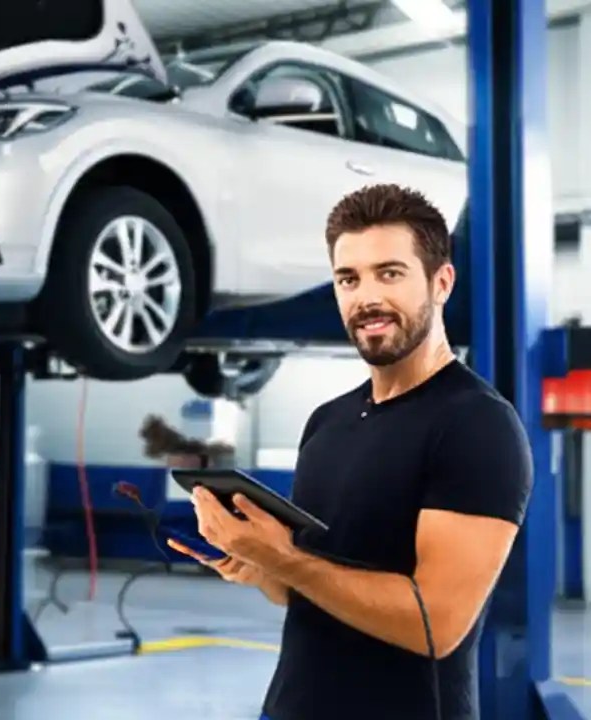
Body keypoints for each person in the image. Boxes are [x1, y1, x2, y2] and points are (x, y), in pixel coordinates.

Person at [167, 184, 534, 720]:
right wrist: (256, 564)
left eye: (390, 273)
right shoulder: (328, 421)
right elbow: (311, 588)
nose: (367, 298)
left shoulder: (477, 425)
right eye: (349, 278)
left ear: (441, 283)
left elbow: (436, 624)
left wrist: (282, 557)